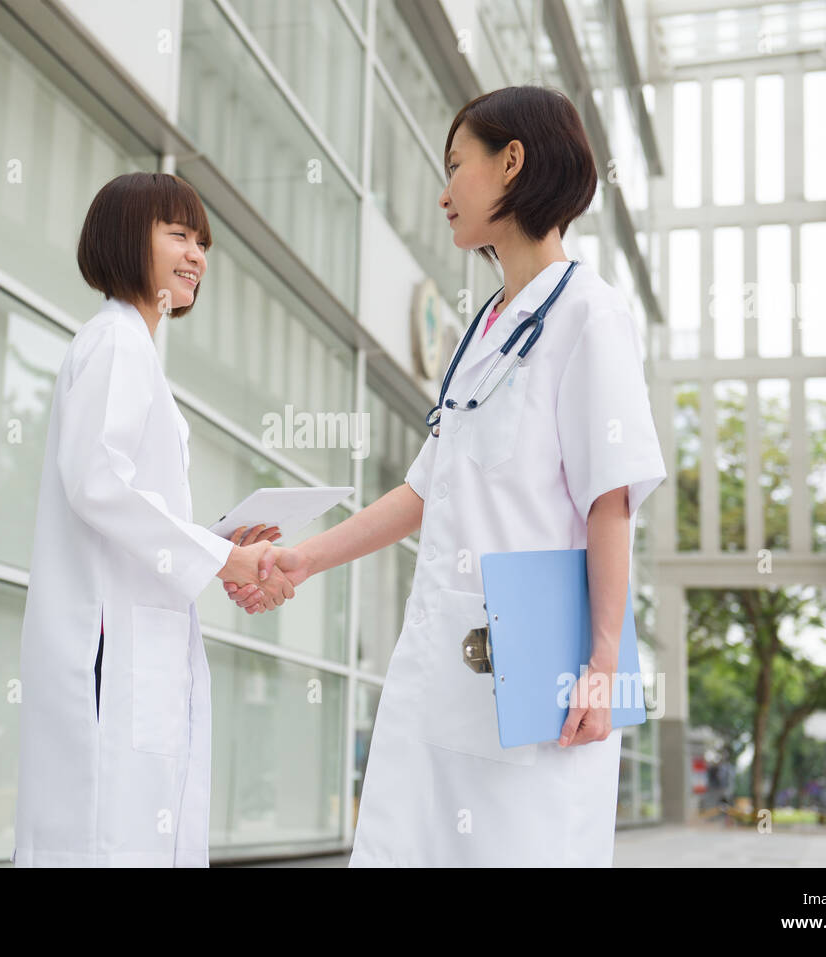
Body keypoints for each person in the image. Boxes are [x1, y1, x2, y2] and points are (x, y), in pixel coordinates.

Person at [226, 86, 667, 866]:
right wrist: (302, 559)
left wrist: (604, 665)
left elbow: (611, 500)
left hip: (538, 673)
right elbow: (423, 492)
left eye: (456, 165)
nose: (443, 194)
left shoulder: (590, 315)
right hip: (445, 657)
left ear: (513, 161)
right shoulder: (486, 329)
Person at [13, 172, 294, 867]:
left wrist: (219, 544)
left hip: (135, 642)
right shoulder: (115, 341)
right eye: (178, 235)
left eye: (202, 242)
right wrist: (219, 557)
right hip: (108, 648)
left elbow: (128, 501)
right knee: (107, 837)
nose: (197, 255)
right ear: (124, 238)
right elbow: (97, 482)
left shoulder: (134, 348)